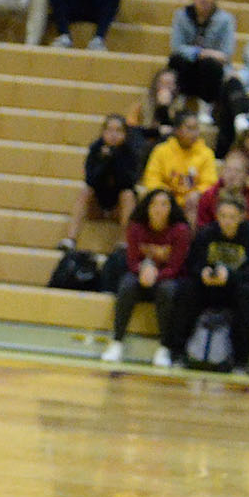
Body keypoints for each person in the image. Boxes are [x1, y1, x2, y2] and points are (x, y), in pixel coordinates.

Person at [173, 195, 249, 371]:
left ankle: (241, 360)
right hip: (208, 287)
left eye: (232, 217)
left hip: (235, 288)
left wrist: (230, 276)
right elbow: (192, 263)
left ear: (241, 217)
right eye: (223, 216)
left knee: (247, 294)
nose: (227, 221)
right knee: (187, 289)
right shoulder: (206, 234)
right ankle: (177, 352)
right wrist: (203, 272)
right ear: (217, 215)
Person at [102, 188, 188, 364]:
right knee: (126, 285)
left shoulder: (180, 230)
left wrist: (156, 274)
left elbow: (175, 267)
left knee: (168, 290)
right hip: (140, 275)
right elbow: (132, 261)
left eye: (164, 204)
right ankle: (117, 342)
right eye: (154, 204)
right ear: (147, 207)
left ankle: (164, 347)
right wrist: (143, 271)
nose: (158, 209)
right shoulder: (136, 227)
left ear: (171, 208)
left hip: (165, 278)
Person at [61, 114, 139, 251]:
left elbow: (128, 182)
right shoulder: (95, 149)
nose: (113, 135)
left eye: (118, 131)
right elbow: (90, 180)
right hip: (97, 206)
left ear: (125, 134)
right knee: (85, 191)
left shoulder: (131, 152)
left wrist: (114, 158)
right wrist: (104, 161)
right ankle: (70, 239)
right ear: (103, 132)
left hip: (118, 208)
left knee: (128, 195)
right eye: (109, 130)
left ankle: (125, 242)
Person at [167, 0, 237, 117]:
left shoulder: (226, 20)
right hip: (190, 66)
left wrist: (207, 56)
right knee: (176, 60)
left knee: (211, 64)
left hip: (211, 71)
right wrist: (201, 52)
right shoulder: (181, 15)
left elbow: (226, 53)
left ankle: (207, 107)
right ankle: (179, 100)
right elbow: (176, 47)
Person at [141, 112, 219, 222]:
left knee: (195, 203)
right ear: (177, 130)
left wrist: (197, 193)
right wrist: (167, 195)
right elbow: (151, 179)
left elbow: (210, 183)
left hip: (191, 203)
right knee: (157, 200)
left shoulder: (206, 153)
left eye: (196, 128)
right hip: (166, 200)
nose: (194, 133)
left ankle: (191, 238)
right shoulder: (161, 150)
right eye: (190, 128)